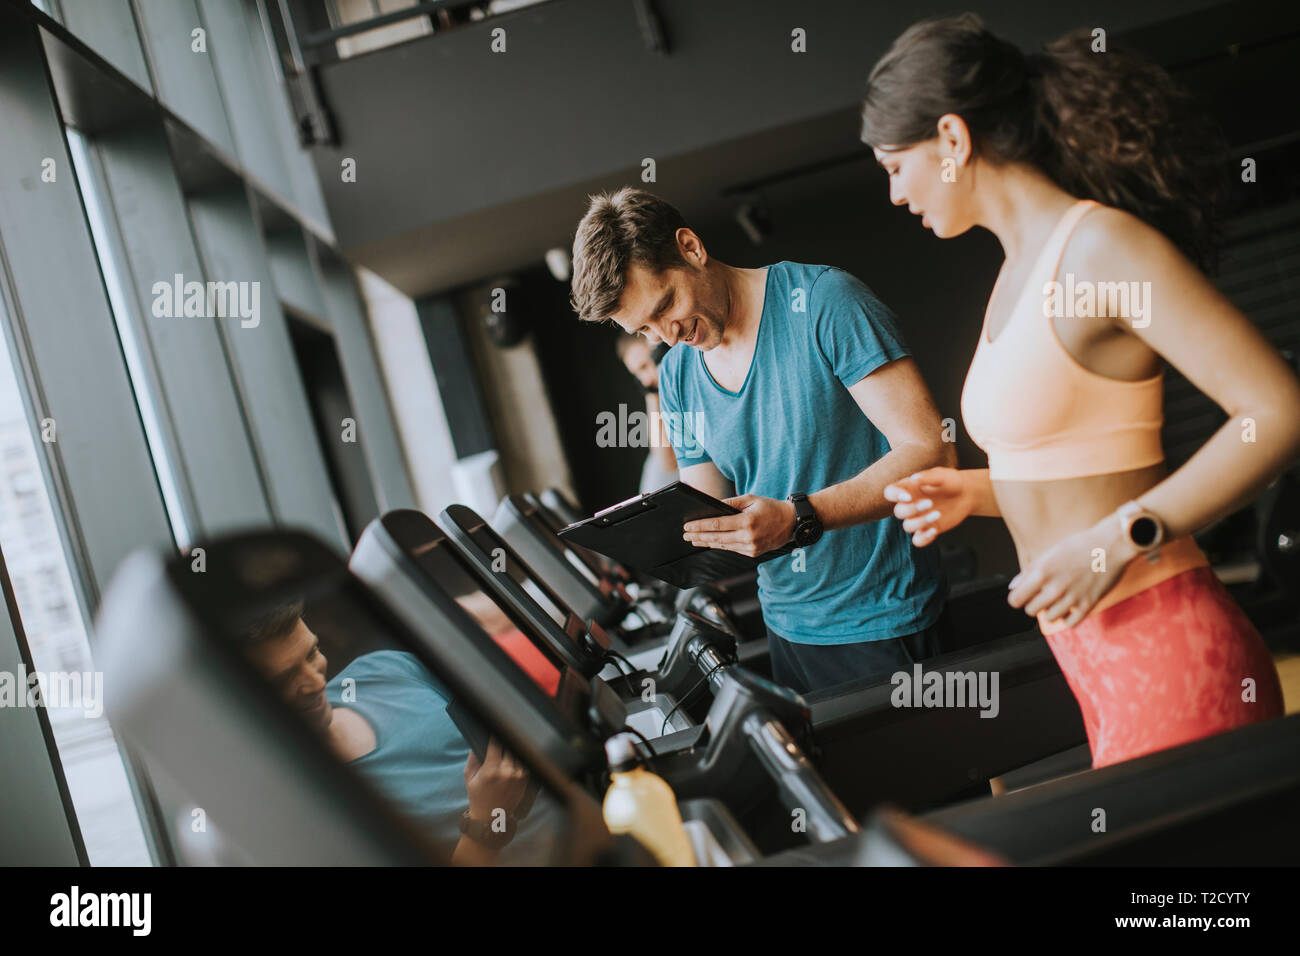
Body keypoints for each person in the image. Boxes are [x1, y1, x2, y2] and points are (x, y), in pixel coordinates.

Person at [862, 14, 1299, 766]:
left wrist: (1118, 539)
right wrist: (981, 491)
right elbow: (1082, 463)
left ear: (953, 140)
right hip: (1093, 664)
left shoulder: (1098, 248)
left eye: (896, 167)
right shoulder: (1015, 271)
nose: (896, 195)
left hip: (1166, 642)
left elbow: (1278, 411)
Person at [570, 187, 957, 695]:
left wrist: (799, 518)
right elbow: (707, 508)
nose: (668, 335)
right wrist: (652, 537)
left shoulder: (824, 301)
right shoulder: (678, 376)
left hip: (884, 619)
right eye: (645, 327)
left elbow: (932, 451)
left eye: (666, 306)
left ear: (690, 248)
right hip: (787, 629)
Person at [238, 602, 538, 864]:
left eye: (312, 653)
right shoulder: (306, 813)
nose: (315, 683)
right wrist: (486, 822)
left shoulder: (383, 667)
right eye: (284, 680)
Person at [616, 332, 679, 493]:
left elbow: (668, 461)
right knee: (654, 462)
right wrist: (652, 393)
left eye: (644, 366)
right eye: (638, 374)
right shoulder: (660, 392)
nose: (645, 381)